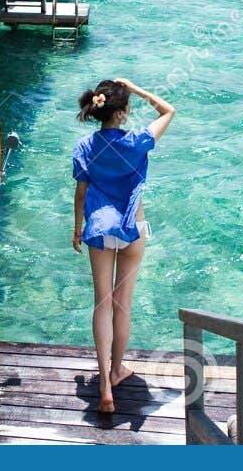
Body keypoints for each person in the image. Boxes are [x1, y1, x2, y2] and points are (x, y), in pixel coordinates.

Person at [71, 76, 175, 414]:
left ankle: (103, 383)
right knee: (123, 304)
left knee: (101, 303)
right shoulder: (137, 141)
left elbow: (81, 191)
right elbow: (168, 110)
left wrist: (77, 228)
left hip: (99, 230)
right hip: (132, 228)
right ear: (123, 112)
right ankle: (117, 370)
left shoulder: (85, 147)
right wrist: (136, 88)